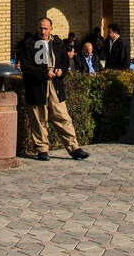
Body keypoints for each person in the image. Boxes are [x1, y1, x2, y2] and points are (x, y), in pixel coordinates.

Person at [15, 17, 90, 162]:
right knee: (38, 119)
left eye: (45, 28)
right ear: (37, 29)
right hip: (37, 86)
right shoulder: (29, 44)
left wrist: (61, 70)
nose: (43, 31)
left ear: (51, 29)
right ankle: (42, 150)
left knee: (62, 116)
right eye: (40, 28)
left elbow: (64, 62)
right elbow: (26, 67)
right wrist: (43, 74)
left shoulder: (58, 43)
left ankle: (74, 148)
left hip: (55, 84)